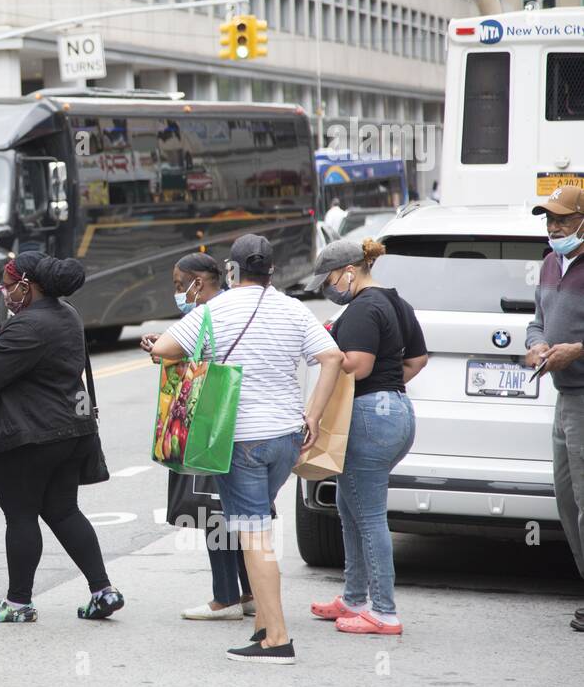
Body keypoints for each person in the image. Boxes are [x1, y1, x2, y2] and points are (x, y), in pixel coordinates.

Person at [151, 235, 344, 664]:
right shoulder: (294, 308)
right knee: (256, 527)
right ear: (272, 270)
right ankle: (262, 628)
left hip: (238, 440)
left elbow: (164, 350)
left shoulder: (212, 310)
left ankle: (277, 638)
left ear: (232, 271)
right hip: (286, 439)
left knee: (254, 537)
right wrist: (313, 415)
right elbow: (332, 358)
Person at [0, 251, 123, 623]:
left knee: (19, 516)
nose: (4, 291)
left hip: (28, 435)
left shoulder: (28, 326)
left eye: (7, 284)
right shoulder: (67, 314)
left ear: (26, 286)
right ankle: (103, 590)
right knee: (64, 510)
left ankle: (18, 604)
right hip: (70, 432)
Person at [306, 238, 428, 636]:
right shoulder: (395, 301)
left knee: (370, 515)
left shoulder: (362, 307)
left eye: (328, 280)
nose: (327, 288)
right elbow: (417, 359)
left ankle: (384, 612)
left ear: (349, 272)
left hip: (369, 419)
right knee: (349, 504)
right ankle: (354, 596)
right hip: (396, 413)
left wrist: (326, 351)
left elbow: (356, 366)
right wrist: (388, 390)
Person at [141, 253, 257, 621]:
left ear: (200, 282)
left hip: (212, 422)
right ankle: (252, 591)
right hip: (252, 420)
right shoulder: (242, 305)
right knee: (244, 512)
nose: (178, 293)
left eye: (180, 285)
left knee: (212, 510)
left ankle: (225, 597)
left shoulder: (206, 313)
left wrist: (158, 347)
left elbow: (166, 353)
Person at [525, 185, 584, 633]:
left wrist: (576, 351)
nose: (554, 227)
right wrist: (537, 344)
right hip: (564, 396)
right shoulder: (549, 263)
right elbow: (536, 320)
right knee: (566, 501)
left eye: (563, 219)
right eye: (549, 220)